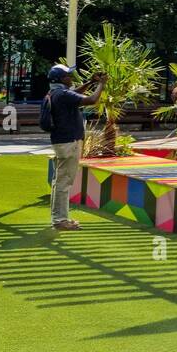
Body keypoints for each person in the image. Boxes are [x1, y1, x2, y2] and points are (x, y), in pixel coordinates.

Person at [45, 64, 105, 232]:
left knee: (60, 181)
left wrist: (91, 82)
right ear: (61, 79)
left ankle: (58, 217)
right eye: (68, 75)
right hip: (68, 143)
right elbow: (91, 100)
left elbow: (75, 94)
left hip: (62, 141)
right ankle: (60, 220)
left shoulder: (56, 93)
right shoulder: (62, 94)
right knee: (64, 182)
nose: (71, 77)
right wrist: (102, 84)